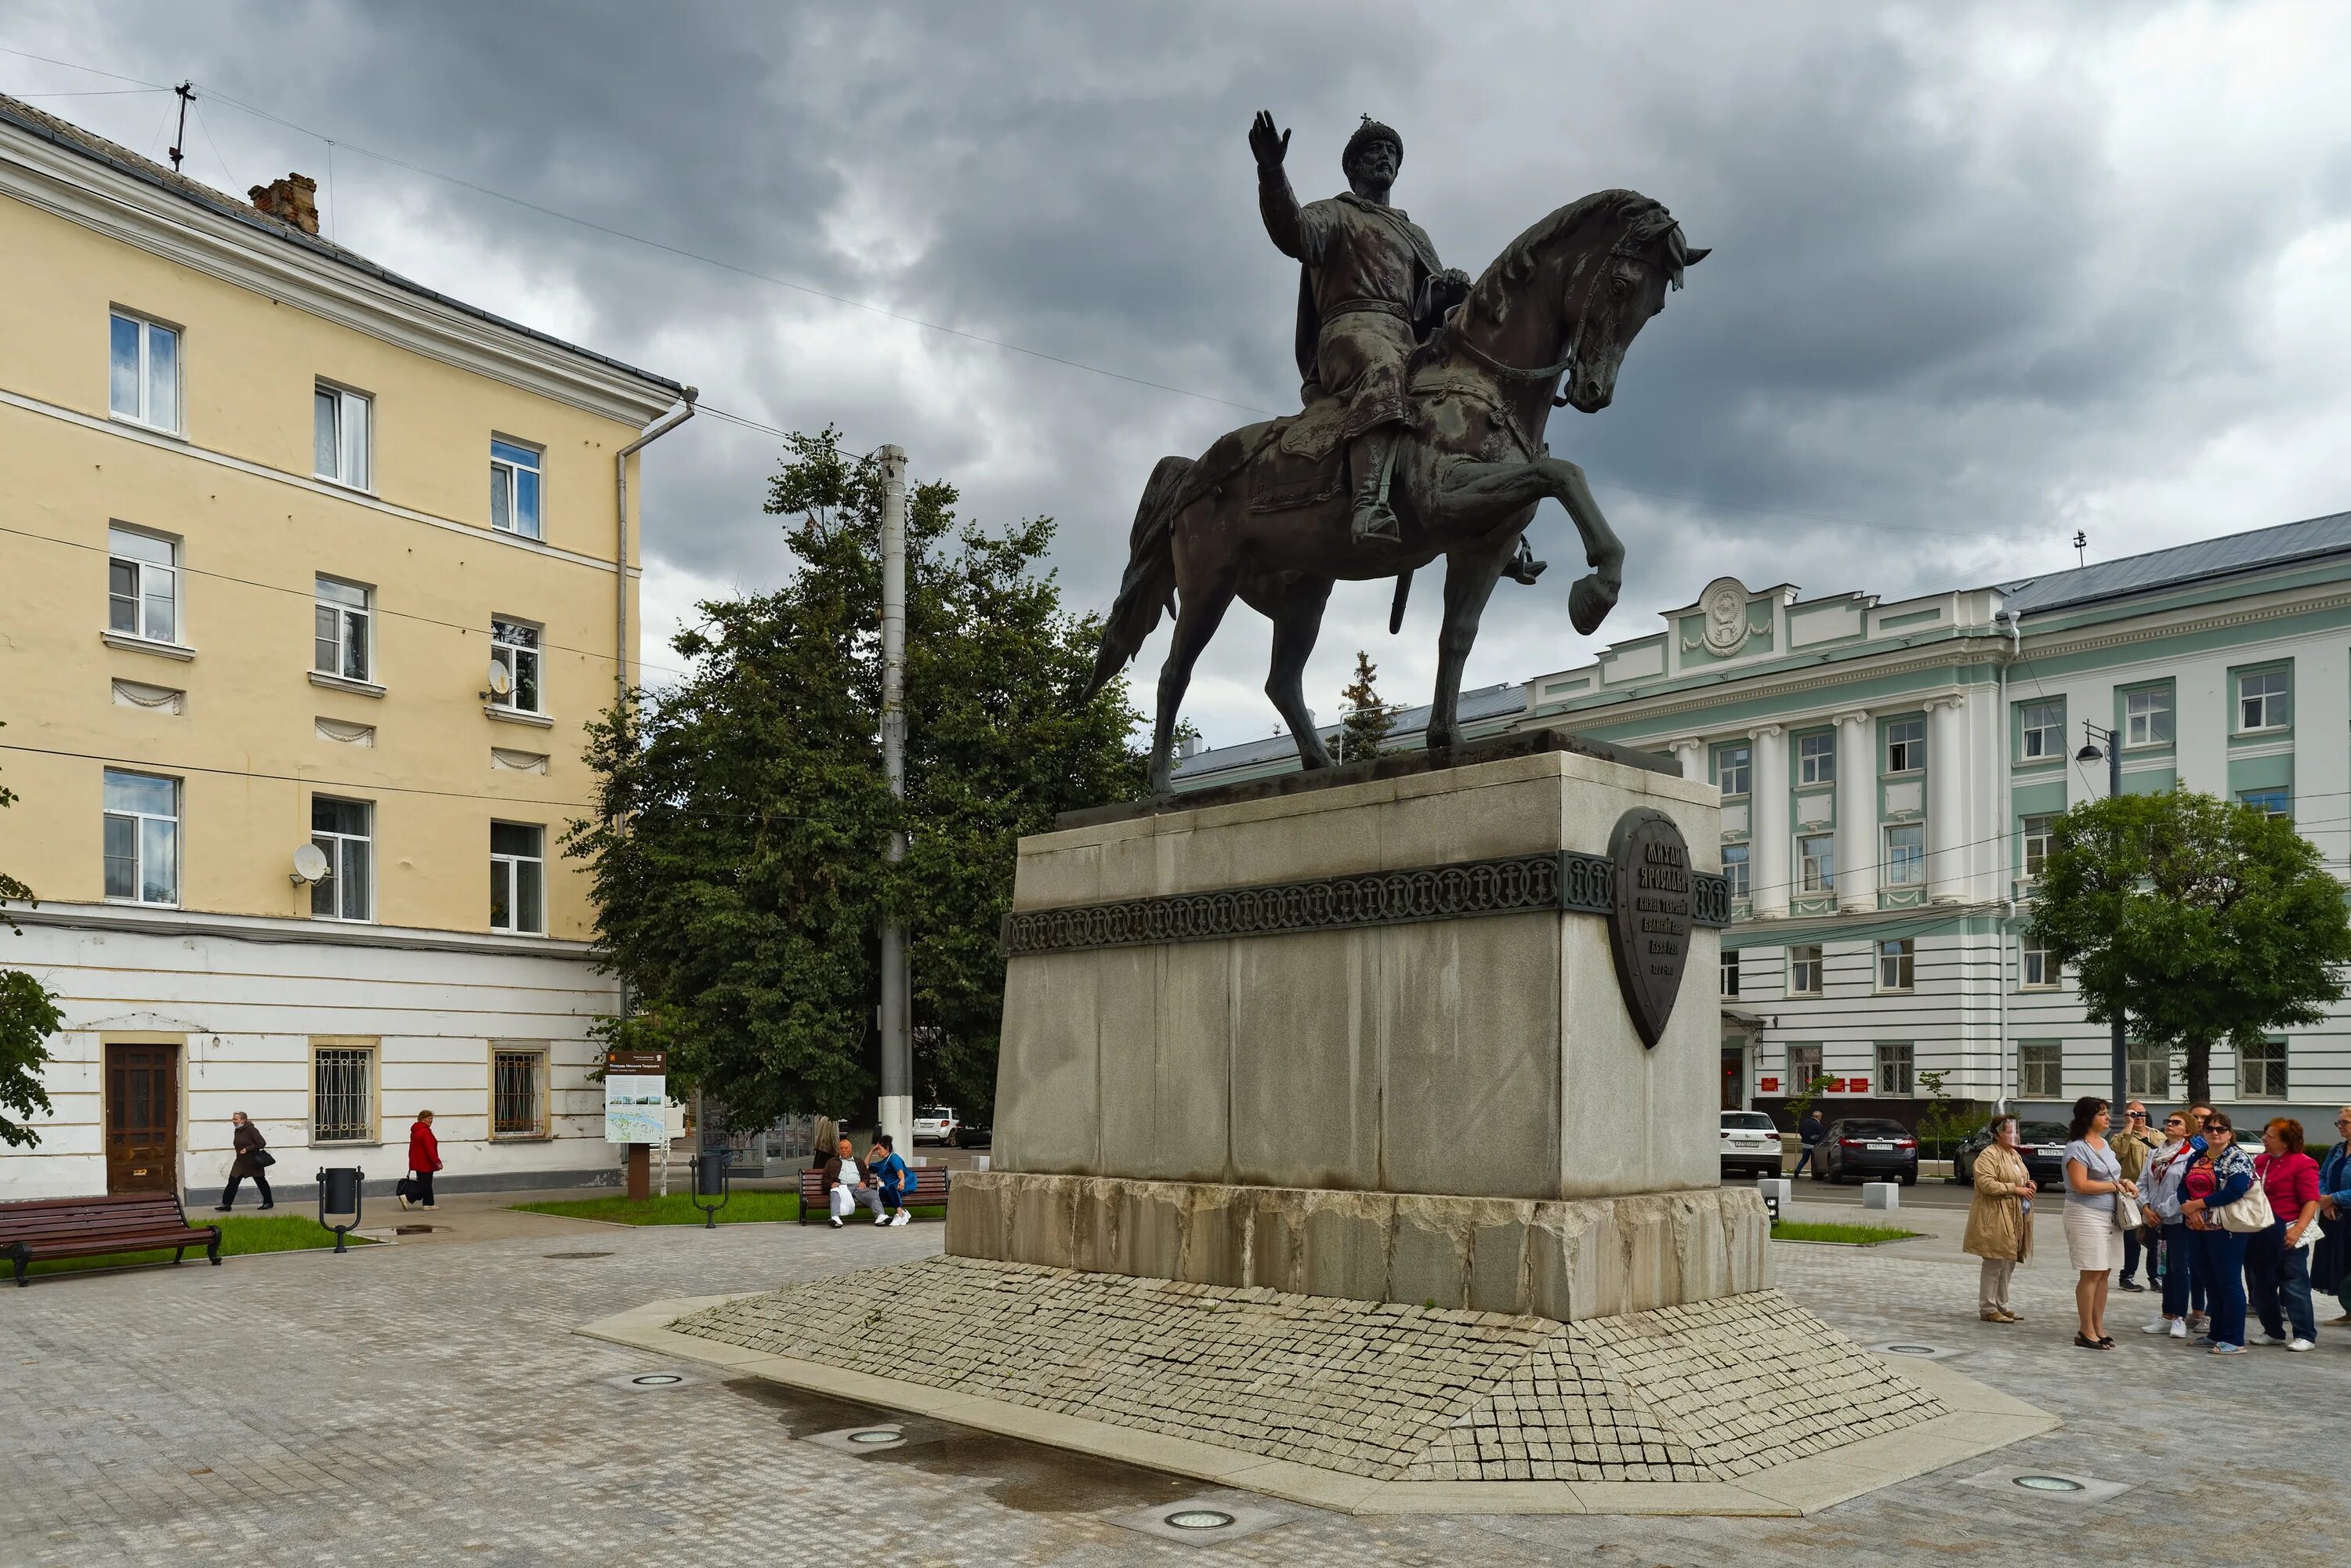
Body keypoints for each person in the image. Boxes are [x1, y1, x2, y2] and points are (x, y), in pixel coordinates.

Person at [1250, 110, 1478, 553]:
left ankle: (1493, 522)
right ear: (1353, 165)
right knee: (1384, 369)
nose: (1385, 157)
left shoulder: (1414, 234)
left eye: (1391, 151)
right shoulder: (1334, 213)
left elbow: (1424, 311)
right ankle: (1368, 504)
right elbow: (1292, 231)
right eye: (1375, 150)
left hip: (1404, 337)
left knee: (1461, 396)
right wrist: (1272, 171)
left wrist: (1446, 290)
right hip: (1348, 333)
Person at [2179, 1111, 2259, 1355]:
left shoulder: (2238, 1157)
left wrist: (2197, 1205)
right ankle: (2216, 1333)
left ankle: (2234, 1339)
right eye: (2210, 1129)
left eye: (2221, 1129)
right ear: (2203, 1133)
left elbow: (2234, 1190)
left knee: (2228, 1282)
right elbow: (2183, 1187)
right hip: (2197, 1226)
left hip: (2227, 1229)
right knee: (2208, 1279)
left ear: (2229, 1134)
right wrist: (2189, 1209)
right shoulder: (2198, 1156)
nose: (2215, 1133)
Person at [2247, 1117, 2320, 1349]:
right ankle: (2273, 1330)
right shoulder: (2261, 1161)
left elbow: (2311, 1201)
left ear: (2286, 1142)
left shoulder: (2303, 1163)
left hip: (2289, 1229)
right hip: (2261, 1231)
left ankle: (2305, 1335)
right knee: (2261, 1284)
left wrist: (2298, 1231)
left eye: (2270, 1136)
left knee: (2294, 1283)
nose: (2265, 1140)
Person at [2063, 1096, 2125, 1349]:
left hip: (2110, 1217)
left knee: (2103, 1273)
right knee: (2091, 1272)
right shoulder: (2077, 1147)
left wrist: (2125, 1183)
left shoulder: (2104, 1144)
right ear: (2088, 1118)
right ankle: (2085, 1330)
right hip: (2085, 1215)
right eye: (2102, 1114)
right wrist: (2115, 1186)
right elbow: (2080, 1185)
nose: (2108, 1118)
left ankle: (2098, 1327)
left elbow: (2113, 1176)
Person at [1964, 1114, 2035, 1322]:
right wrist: (2016, 1189)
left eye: (2015, 1131)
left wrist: (2029, 1185)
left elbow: (2022, 1177)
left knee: (2008, 1261)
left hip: (2014, 1215)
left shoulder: (2014, 1155)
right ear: (1997, 1135)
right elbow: (1987, 1185)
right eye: (2009, 1131)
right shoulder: (1988, 1155)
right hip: (1994, 1215)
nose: (2014, 1136)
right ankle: (1987, 1308)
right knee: (1995, 1260)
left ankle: (2001, 1304)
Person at [2141, 1110, 2202, 1338]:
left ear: (2187, 1130)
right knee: (2163, 1267)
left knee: (2180, 1268)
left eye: (2176, 1123)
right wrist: (2146, 1208)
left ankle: (2179, 1317)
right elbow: (2143, 1183)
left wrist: (2162, 1211)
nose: (2169, 1125)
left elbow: (2187, 1190)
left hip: (2178, 1220)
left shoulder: (2192, 1156)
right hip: (2157, 1222)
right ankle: (2166, 1314)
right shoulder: (2155, 1153)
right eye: (2168, 1121)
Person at [2111, 1101, 2161, 1292]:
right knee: (2132, 1237)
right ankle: (2127, 1275)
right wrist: (2129, 1125)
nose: (2138, 1117)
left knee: (2155, 1238)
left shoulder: (2157, 1135)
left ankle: (2156, 1277)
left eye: (2141, 1113)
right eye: (2133, 1114)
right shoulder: (2122, 1136)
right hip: (2131, 1193)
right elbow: (2117, 1153)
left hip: (2154, 1194)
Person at [2317, 1107, 2351, 1327]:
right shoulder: (2337, 1149)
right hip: (2336, 1215)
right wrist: (2325, 1199)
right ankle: (2349, 1311)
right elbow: (2322, 1175)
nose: (2340, 1126)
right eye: (2338, 1123)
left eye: (2345, 1122)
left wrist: (2334, 1198)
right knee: (2340, 1263)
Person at [820, 1135, 886, 1228]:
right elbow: (825, 1177)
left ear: (850, 1149)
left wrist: (863, 1182)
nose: (843, 1150)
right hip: (842, 1187)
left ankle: (880, 1216)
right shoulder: (832, 1162)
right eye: (841, 1148)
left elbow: (866, 1174)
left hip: (858, 1187)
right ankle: (835, 1218)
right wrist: (831, 1184)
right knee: (835, 1193)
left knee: (873, 1194)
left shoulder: (858, 1161)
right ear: (839, 1149)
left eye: (846, 1148)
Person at [215, 1111, 273, 1211]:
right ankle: (226, 1204)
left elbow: (262, 1143)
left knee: (261, 1181)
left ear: (243, 1120)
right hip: (240, 1162)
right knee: (233, 1181)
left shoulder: (251, 1130)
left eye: (236, 1119)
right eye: (233, 1119)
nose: (233, 1121)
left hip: (252, 1161)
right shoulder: (237, 1130)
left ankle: (268, 1202)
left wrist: (248, 1149)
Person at [865, 1134, 914, 1227]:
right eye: (877, 1150)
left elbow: (900, 1171)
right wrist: (872, 1150)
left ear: (887, 1148)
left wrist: (902, 1180)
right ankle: (904, 1212)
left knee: (892, 1187)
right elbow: (865, 1165)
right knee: (882, 1191)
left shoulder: (893, 1157)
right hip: (894, 1186)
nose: (878, 1152)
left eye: (880, 1149)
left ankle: (900, 1215)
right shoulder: (880, 1164)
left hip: (907, 1180)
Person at [398, 1110, 442, 1210]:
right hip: (425, 1162)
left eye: (432, 1119)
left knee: (426, 1183)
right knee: (425, 1184)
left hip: (418, 1161)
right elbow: (430, 1149)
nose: (431, 1121)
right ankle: (407, 1197)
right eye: (429, 1119)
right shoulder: (424, 1132)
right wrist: (437, 1162)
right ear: (422, 1119)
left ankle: (428, 1204)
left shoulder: (417, 1130)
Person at [1792, 1106, 1825, 1177]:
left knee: (1804, 1159)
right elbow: (1821, 1136)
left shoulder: (1805, 1122)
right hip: (1814, 1145)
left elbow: (1800, 1132)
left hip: (1805, 1144)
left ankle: (1797, 1170)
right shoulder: (1818, 1125)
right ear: (1818, 1117)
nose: (1821, 1118)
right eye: (1820, 1117)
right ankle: (1814, 1173)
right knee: (1815, 1160)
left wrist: (1805, 1138)